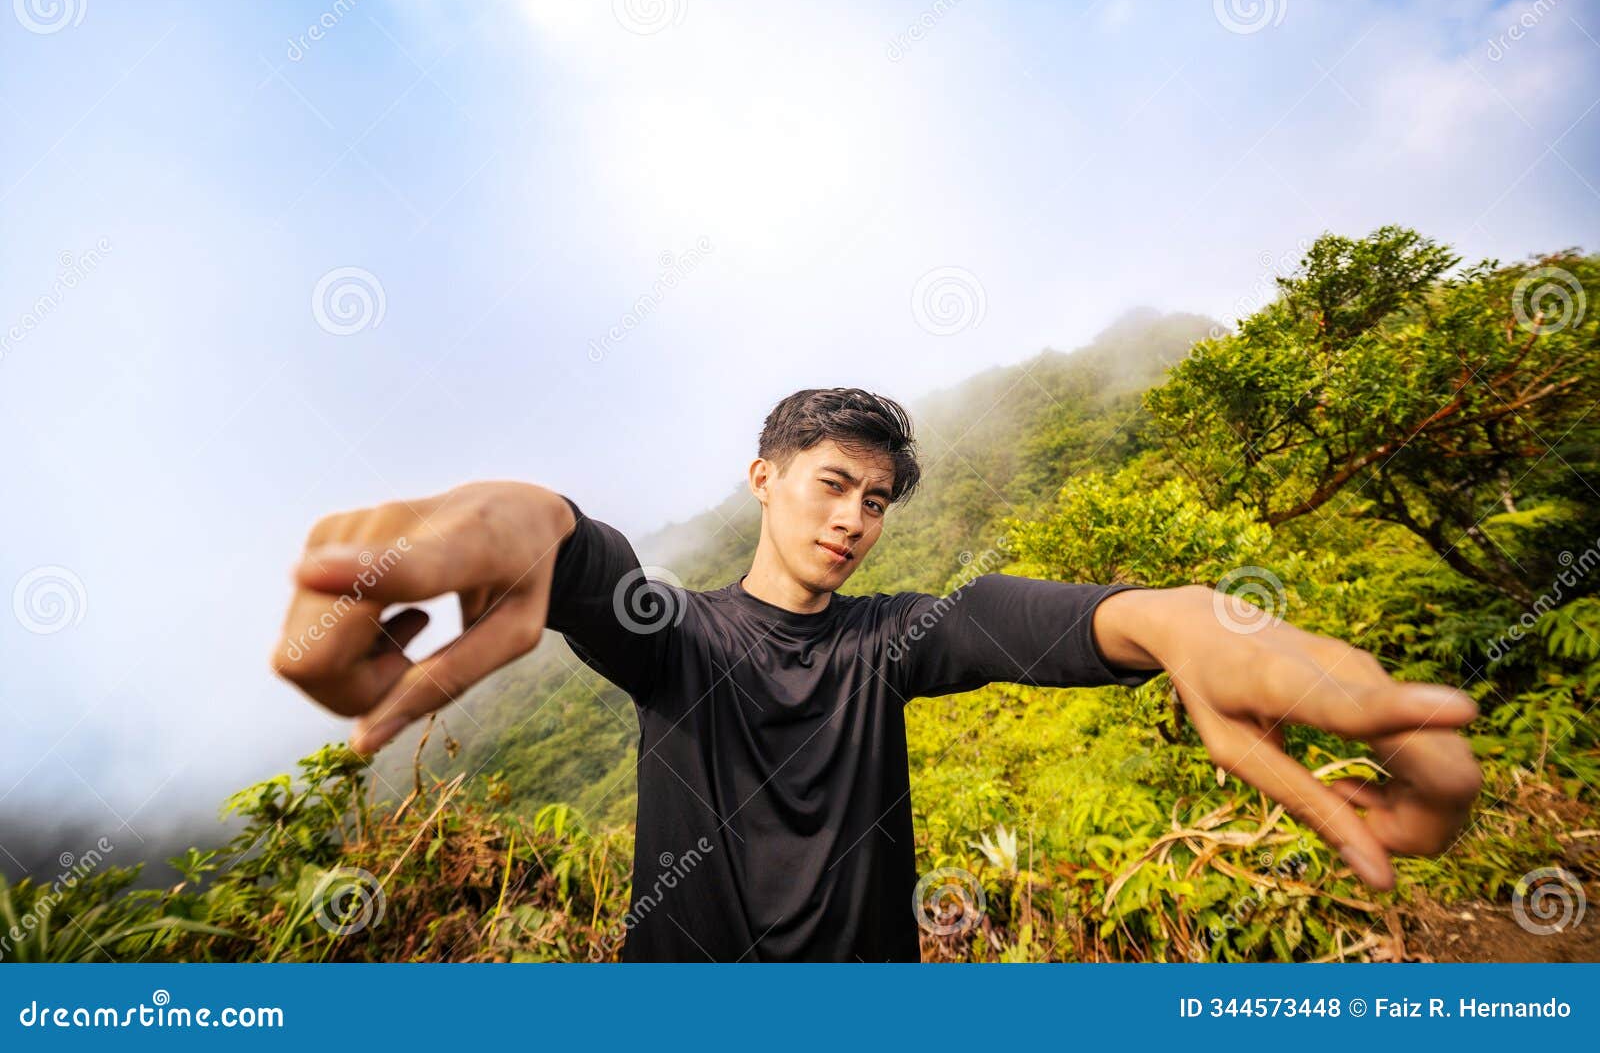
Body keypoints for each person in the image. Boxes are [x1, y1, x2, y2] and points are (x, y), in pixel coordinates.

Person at [273, 387, 1483, 961]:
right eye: (829, 484)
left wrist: (1204, 630)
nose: (854, 517)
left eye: (878, 498)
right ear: (763, 478)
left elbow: (1115, 618)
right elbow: (577, 552)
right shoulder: (672, 634)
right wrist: (529, 515)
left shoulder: (896, 639)